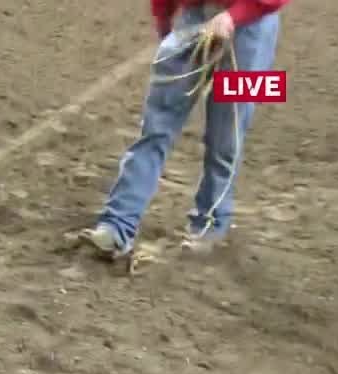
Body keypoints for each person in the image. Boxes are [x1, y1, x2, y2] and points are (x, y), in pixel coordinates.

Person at [84, 0, 291, 258]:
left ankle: (212, 224)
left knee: (227, 137)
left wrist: (234, 16)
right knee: (156, 126)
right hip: (193, 18)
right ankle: (118, 225)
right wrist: (164, 22)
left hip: (254, 27)